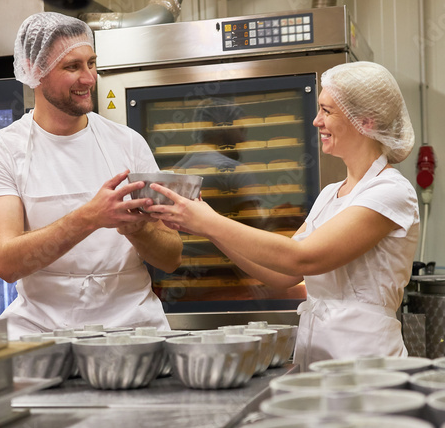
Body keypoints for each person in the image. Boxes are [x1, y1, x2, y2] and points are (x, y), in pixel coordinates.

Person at [149, 61, 419, 369]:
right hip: (318, 352)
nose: (316, 121)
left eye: (327, 111)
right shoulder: (332, 193)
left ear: (366, 122)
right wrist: (207, 228)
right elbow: (283, 275)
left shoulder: (391, 192)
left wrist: (209, 221)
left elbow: (303, 258)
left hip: (367, 359)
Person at [0, 13, 182, 337]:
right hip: (42, 336)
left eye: (91, 63)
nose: (89, 78)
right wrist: (91, 217)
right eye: (72, 67)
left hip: (134, 333)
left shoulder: (128, 143)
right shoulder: (3, 150)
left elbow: (171, 258)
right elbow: (6, 263)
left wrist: (135, 228)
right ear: (34, 71)